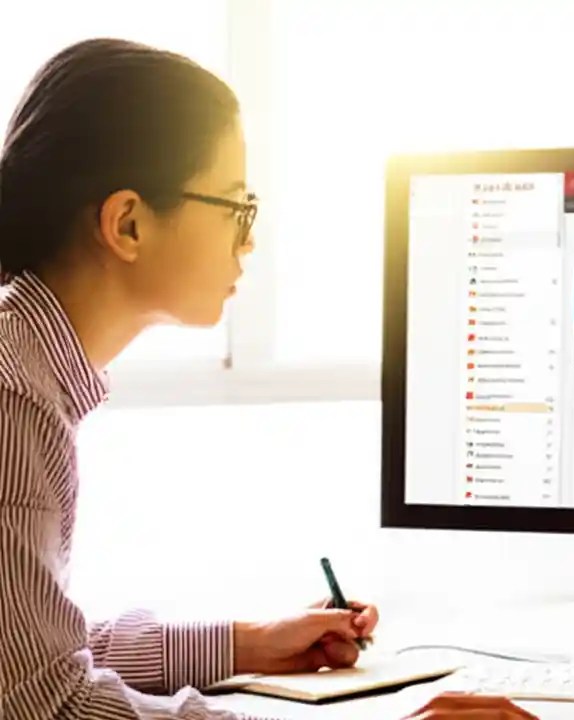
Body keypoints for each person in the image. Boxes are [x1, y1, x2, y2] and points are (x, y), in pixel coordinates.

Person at [0, 38, 535, 720]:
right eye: (235, 208)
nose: (248, 242)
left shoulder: (26, 368)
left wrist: (248, 644)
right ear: (128, 223)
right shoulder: (13, 400)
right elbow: (42, 705)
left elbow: (33, 651)